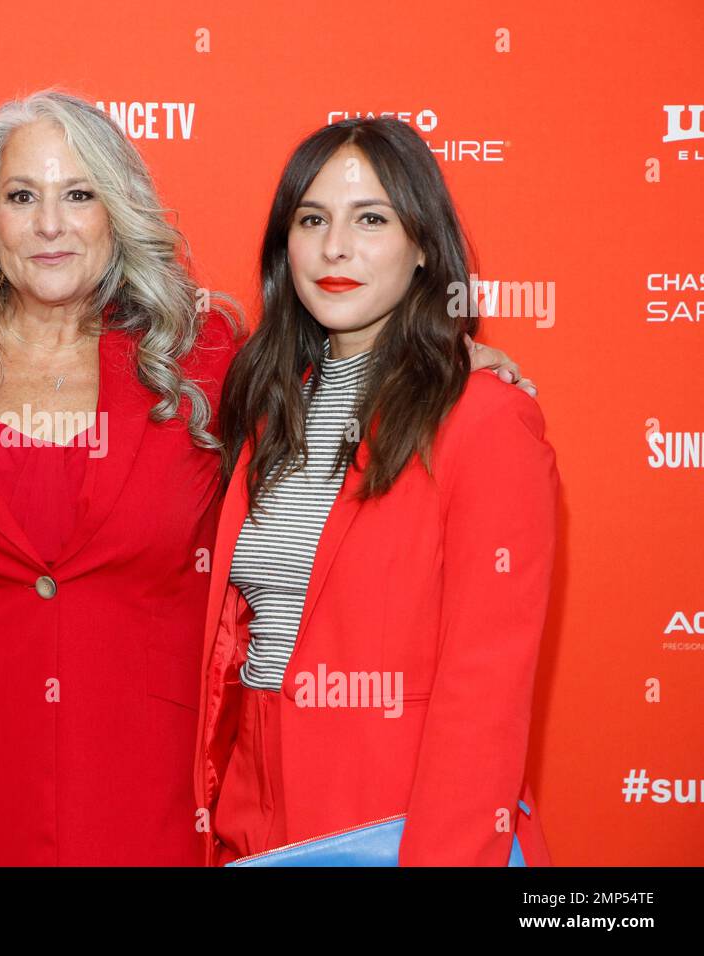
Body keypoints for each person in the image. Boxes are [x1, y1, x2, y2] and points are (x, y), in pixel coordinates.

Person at [0, 91, 532, 865]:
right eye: (21, 196)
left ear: (119, 211)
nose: (50, 224)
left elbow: (486, 686)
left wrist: (452, 359)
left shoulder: (204, 360)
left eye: (79, 195)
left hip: (161, 800)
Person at [196, 117, 557, 866]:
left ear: (424, 246)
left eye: (371, 219)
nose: (336, 247)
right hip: (252, 824)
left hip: (391, 828)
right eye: (312, 220)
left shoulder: (485, 418)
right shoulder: (267, 408)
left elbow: (484, 700)